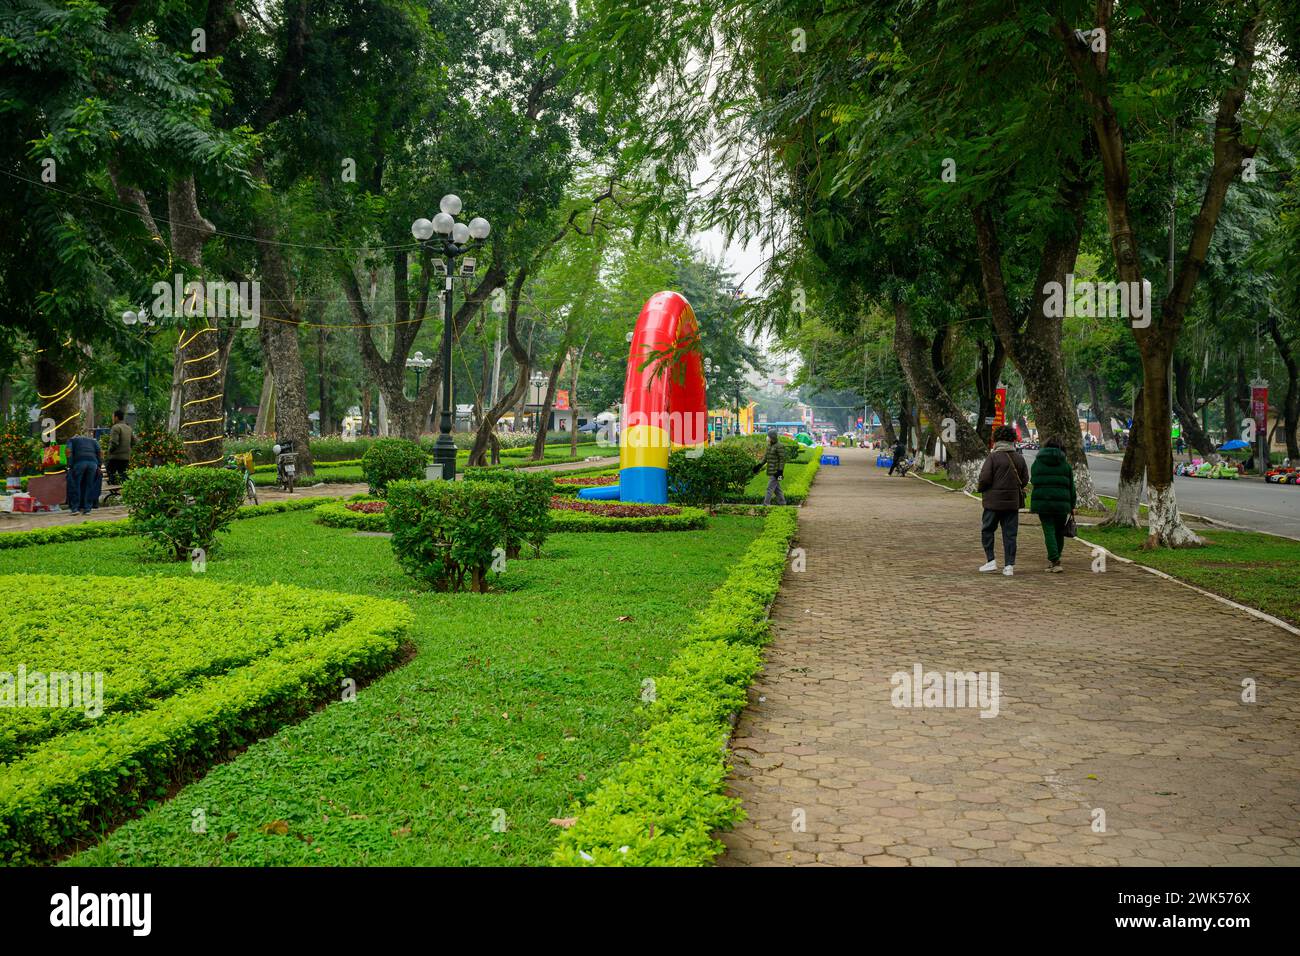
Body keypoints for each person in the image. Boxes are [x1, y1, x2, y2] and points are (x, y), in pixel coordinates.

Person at [977, 424, 1028, 576]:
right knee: (1010, 534)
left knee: (987, 530)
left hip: (993, 503)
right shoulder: (1019, 458)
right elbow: (1025, 480)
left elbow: (985, 478)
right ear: (1012, 439)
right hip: (1012, 503)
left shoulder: (992, 457)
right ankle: (1009, 566)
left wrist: (981, 488)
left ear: (996, 439)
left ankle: (991, 561)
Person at [1029, 437, 1077, 573]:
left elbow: (1033, 480)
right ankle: (1056, 560)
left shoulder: (1038, 462)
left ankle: (1055, 560)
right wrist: (1073, 504)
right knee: (1059, 531)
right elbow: (1071, 487)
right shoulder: (1065, 465)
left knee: (1049, 530)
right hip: (1062, 504)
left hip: (1043, 502)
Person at [65, 425, 102, 515]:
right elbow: (100, 452)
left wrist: (70, 465)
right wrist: (99, 465)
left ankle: (75, 509)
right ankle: (87, 509)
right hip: (93, 464)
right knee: (89, 486)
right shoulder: (93, 441)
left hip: (79, 463)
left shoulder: (72, 440)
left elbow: (68, 451)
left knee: (75, 485)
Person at [759, 429, 787, 505]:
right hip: (771, 471)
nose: (767, 438)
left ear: (772, 437)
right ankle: (782, 502)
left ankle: (766, 504)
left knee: (769, 488)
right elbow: (765, 457)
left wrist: (780, 471)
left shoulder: (779, 446)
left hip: (776, 472)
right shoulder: (769, 446)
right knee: (777, 489)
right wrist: (759, 465)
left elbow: (782, 459)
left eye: (768, 436)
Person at [107, 409, 133, 484]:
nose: (112, 418)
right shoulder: (129, 428)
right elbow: (134, 441)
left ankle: (114, 490)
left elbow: (114, 443)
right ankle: (126, 491)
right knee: (123, 475)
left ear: (116, 417)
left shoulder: (116, 427)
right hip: (126, 457)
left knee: (110, 473)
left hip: (115, 457)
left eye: (113, 416)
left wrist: (109, 452)